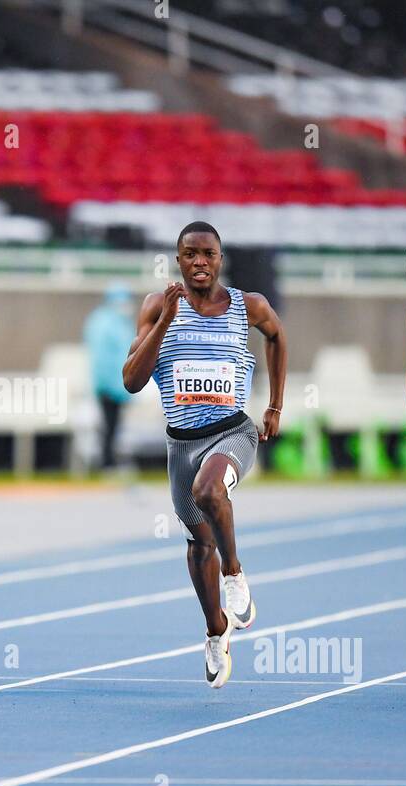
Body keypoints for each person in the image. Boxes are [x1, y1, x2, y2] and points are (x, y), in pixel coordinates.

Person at [122, 221, 287, 689]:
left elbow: (277, 336)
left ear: (220, 258)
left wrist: (274, 404)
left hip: (233, 433)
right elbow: (132, 380)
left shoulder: (247, 306)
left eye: (208, 254)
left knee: (210, 489)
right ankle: (216, 630)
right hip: (181, 443)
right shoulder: (158, 306)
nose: (199, 262)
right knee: (199, 545)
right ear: (178, 260)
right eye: (190, 254)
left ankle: (235, 574)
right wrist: (165, 323)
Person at [83, 281, 134, 471]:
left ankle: (110, 459)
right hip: (109, 383)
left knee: (113, 424)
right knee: (109, 423)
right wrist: (115, 383)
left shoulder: (112, 321)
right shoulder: (106, 323)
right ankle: (107, 462)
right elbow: (104, 358)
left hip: (116, 382)